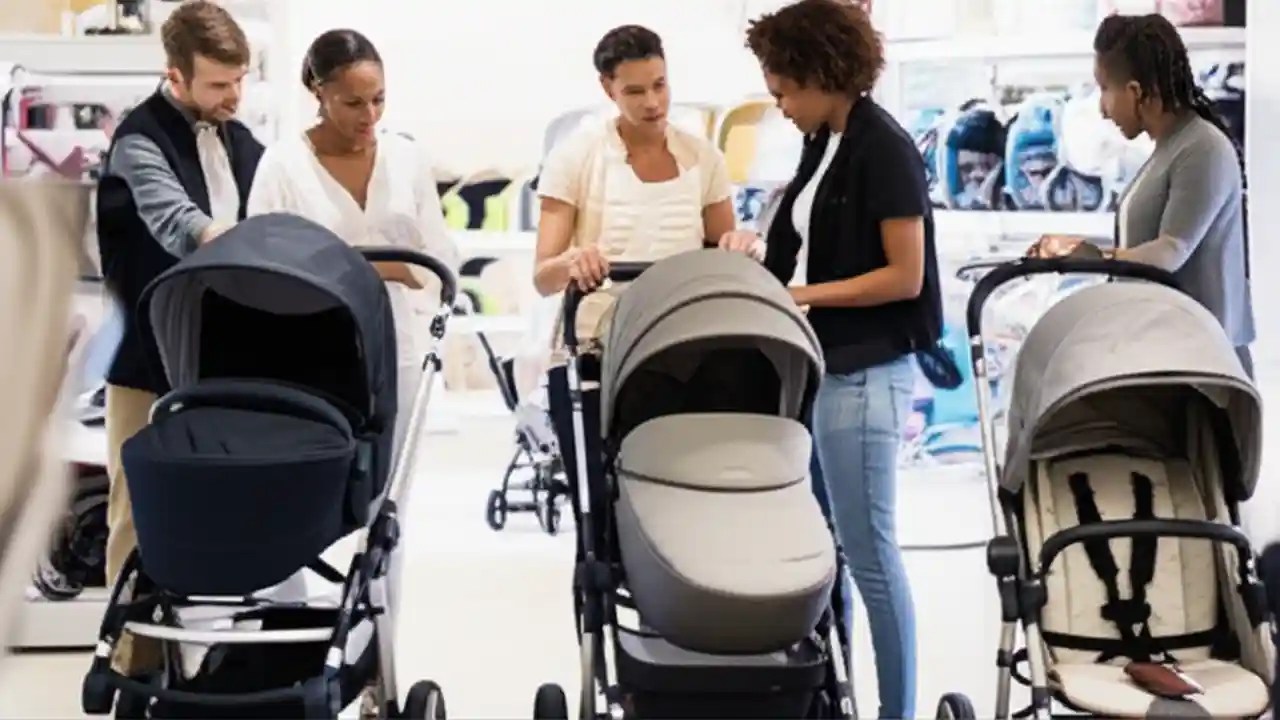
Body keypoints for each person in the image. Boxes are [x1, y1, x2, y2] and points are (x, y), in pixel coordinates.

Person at [726, 1, 945, 716]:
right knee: (827, 554)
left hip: (866, 375)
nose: (780, 104)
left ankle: (896, 711)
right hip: (828, 369)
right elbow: (806, 238)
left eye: (785, 88)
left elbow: (903, 275)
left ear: (821, 74)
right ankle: (831, 693)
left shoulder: (883, 147)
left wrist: (801, 295)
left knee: (872, 559)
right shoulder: (826, 141)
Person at [95, 0, 263, 671]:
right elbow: (179, 224)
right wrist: (257, 243)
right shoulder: (140, 142)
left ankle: (223, 660)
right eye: (219, 85)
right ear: (175, 76)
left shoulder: (239, 141)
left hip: (219, 360)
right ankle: (129, 665)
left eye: (240, 80)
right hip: (147, 361)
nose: (233, 96)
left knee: (223, 511)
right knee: (137, 513)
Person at [533, 25, 758, 520]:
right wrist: (573, 263)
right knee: (600, 516)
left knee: (679, 505)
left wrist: (739, 244)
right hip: (592, 350)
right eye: (634, 91)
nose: (653, 102)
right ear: (607, 88)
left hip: (677, 348)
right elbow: (543, 276)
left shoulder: (703, 158)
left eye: (660, 85)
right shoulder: (576, 156)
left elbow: (723, 254)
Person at [246, 28, 461, 450]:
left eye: (379, 99)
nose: (370, 115)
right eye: (353, 103)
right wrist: (393, 267)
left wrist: (344, 265)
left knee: (392, 485)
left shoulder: (407, 159)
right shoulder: (283, 165)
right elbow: (264, 270)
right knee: (324, 479)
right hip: (312, 348)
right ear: (318, 93)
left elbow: (441, 260)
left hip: (401, 346)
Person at [1029, 13, 1254, 376]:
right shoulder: (1167, 151)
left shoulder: (1202, 148)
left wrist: (1091, 258)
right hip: (1167, 356)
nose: (1102, 109)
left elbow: (1168, 253)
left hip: (1205, 369)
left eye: (1104, 89)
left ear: (1134, 91)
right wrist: (1081, 251)